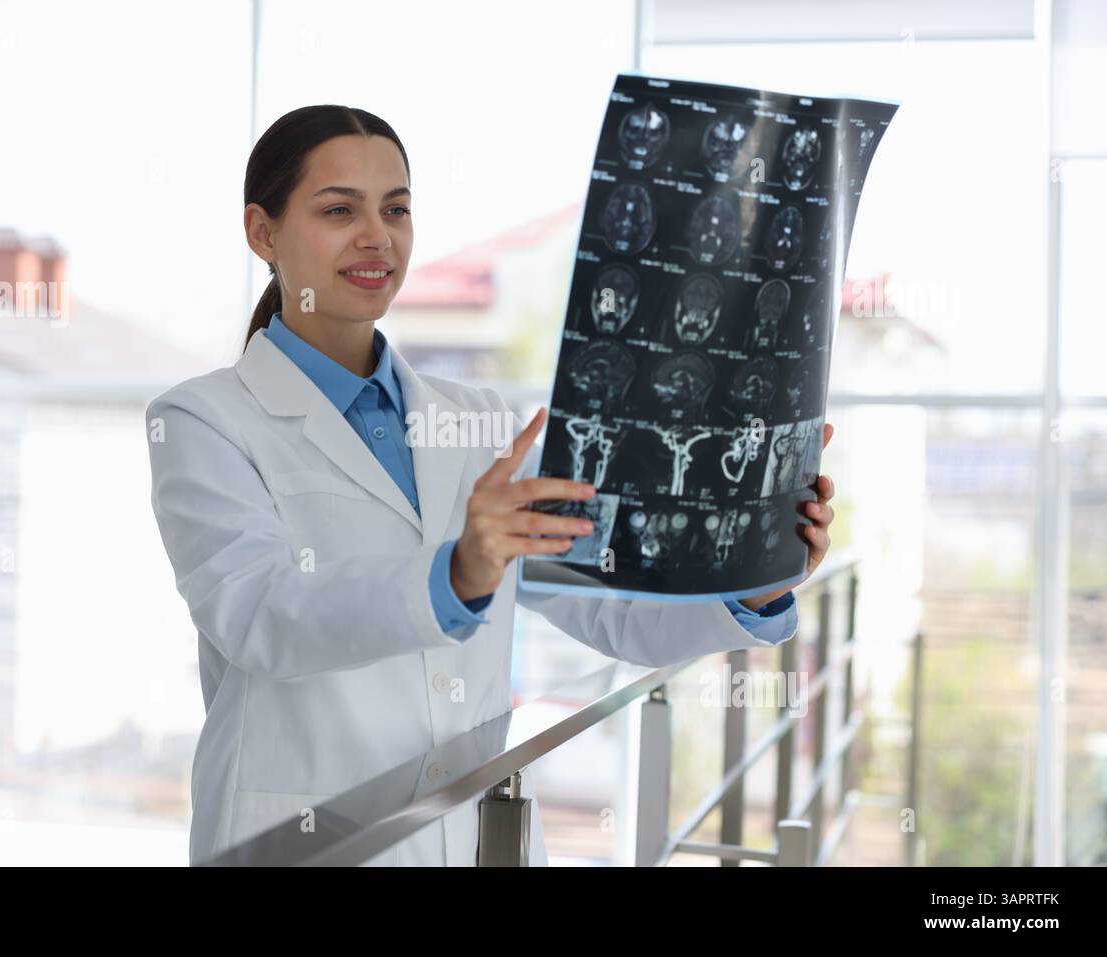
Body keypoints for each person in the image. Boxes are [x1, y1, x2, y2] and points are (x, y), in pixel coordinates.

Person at [145, 104, 836, 866]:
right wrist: (457, 573)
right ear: (263, 232)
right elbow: (263, 616)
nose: (377, 236)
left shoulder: (477, 420)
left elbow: (609, 609)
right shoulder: (202, 420)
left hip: (479, 837)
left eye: (397, 209)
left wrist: (758, 574)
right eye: (340, 209)